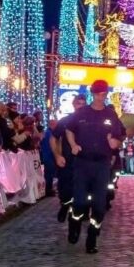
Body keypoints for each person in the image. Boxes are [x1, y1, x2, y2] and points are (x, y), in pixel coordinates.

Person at [65, 81, 125, 254]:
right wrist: (73, 144)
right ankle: (74, 221)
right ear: (92, 94)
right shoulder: (82, 113)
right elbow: (69, 129)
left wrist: (115, 142)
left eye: (103, 94)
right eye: (98, 94)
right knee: (80, 202)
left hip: (102, 164)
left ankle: (92, 236)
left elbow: (120, 135)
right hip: (82, 162)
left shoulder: (111, 114)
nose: (101, 97)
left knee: (99, 205)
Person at [51, 94, 87, 223]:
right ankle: (65, 205)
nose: (80, 107)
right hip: (67, 160)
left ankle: (81, 211)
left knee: (84, 188)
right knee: (65, 188)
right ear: (73, 105)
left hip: (85, 161)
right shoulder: (65, 121)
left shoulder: (90, 121)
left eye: (83, 104)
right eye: (78, 104)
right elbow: (53, 138)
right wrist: (57, 155)